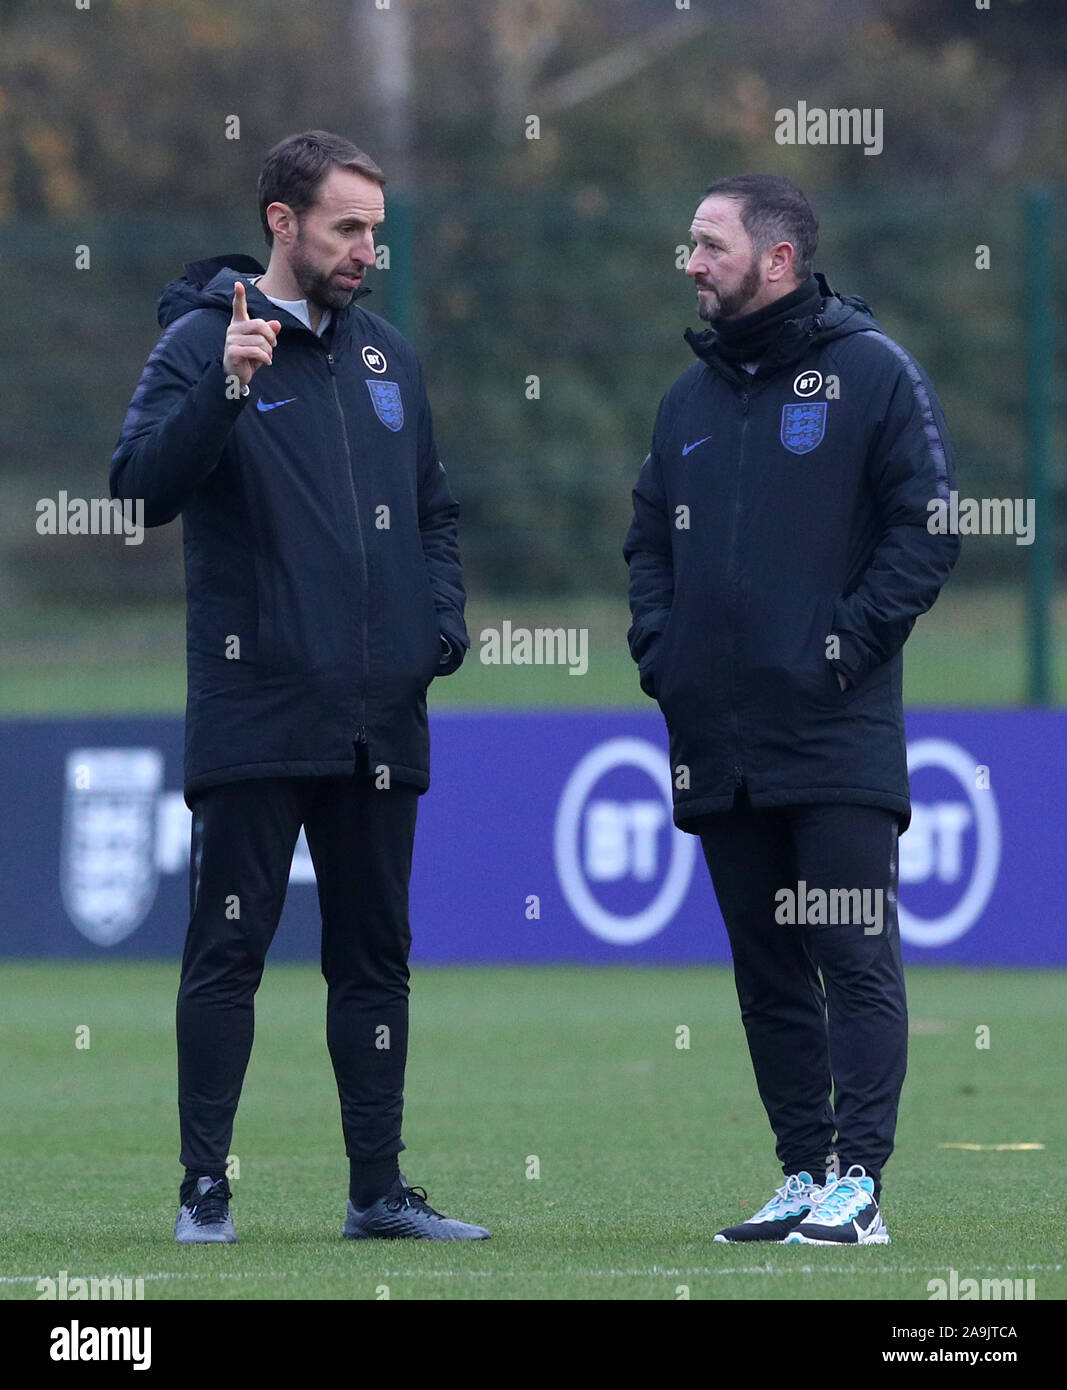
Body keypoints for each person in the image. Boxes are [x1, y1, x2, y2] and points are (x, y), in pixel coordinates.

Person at [111, 129, 488, 1243]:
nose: (368, 248)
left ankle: (377, 1192)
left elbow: (434, 514)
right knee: (228, 951)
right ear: (282, 222)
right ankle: (204, 1190)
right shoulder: (199, 342)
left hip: (381, 715)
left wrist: (440, 629)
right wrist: (225, 393)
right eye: (347, 227)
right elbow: (137, 489)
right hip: (258, 707)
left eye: (374, 228)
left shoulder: (388, 360)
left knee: (373, 960)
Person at [624, 173, 960, 1245]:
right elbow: (645, 546)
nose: (689, 260)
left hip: (833, 729)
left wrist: (843, 648)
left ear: (774, 259)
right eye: (688, 240)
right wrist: (662, 655)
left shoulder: (870, 373)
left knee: (849, 957)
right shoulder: (685, 400)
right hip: (716, 738)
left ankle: (858, 1184)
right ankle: (800, 1171)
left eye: (706, 241)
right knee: (766, 970)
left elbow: (928, 527)